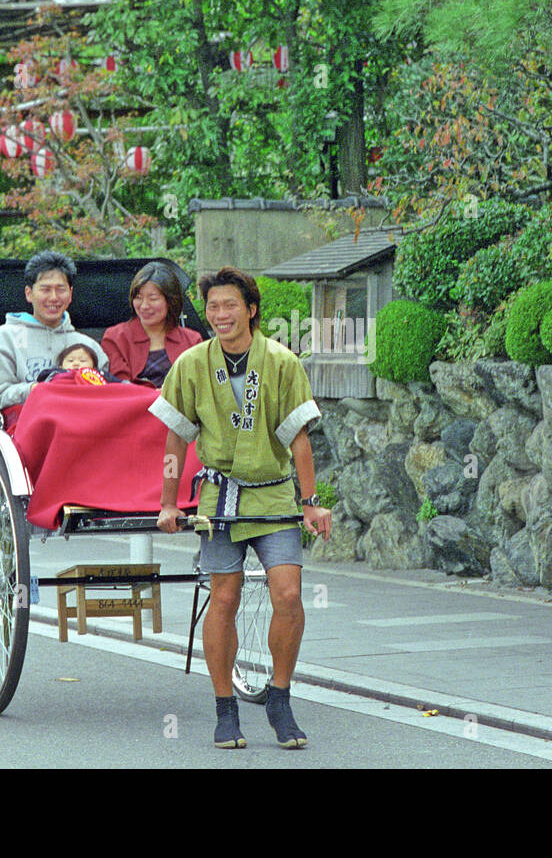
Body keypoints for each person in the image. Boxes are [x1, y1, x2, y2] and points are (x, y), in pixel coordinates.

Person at [150, 266, 332, 750]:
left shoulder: (281, 361)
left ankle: (280, 696)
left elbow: (298, 440)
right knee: (224, 598)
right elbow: (175, 438)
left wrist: (311, 503)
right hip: (220, 498)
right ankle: (224, 707)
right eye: (212, 307)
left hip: (273, 493)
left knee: (289, 595)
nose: (220, 314)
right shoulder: (190, 364)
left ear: (251, 309)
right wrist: (169, 502)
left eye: (230, 305)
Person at [0, 252, 108, 412]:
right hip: (28, 426)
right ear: (29, 293)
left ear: (70, 294)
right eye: (45, 290)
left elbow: (105, 393)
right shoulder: (7, 337)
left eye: (60, 289)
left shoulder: (87, 345)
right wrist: (35, 390)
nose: (54, 297)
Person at [101, 261, 202, 389]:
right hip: (134, 406)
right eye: (138, 298)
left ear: (171, 301)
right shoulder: (115, 337)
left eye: (153, 298)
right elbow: (119, 388)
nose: (144, 306)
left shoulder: (192, 340)